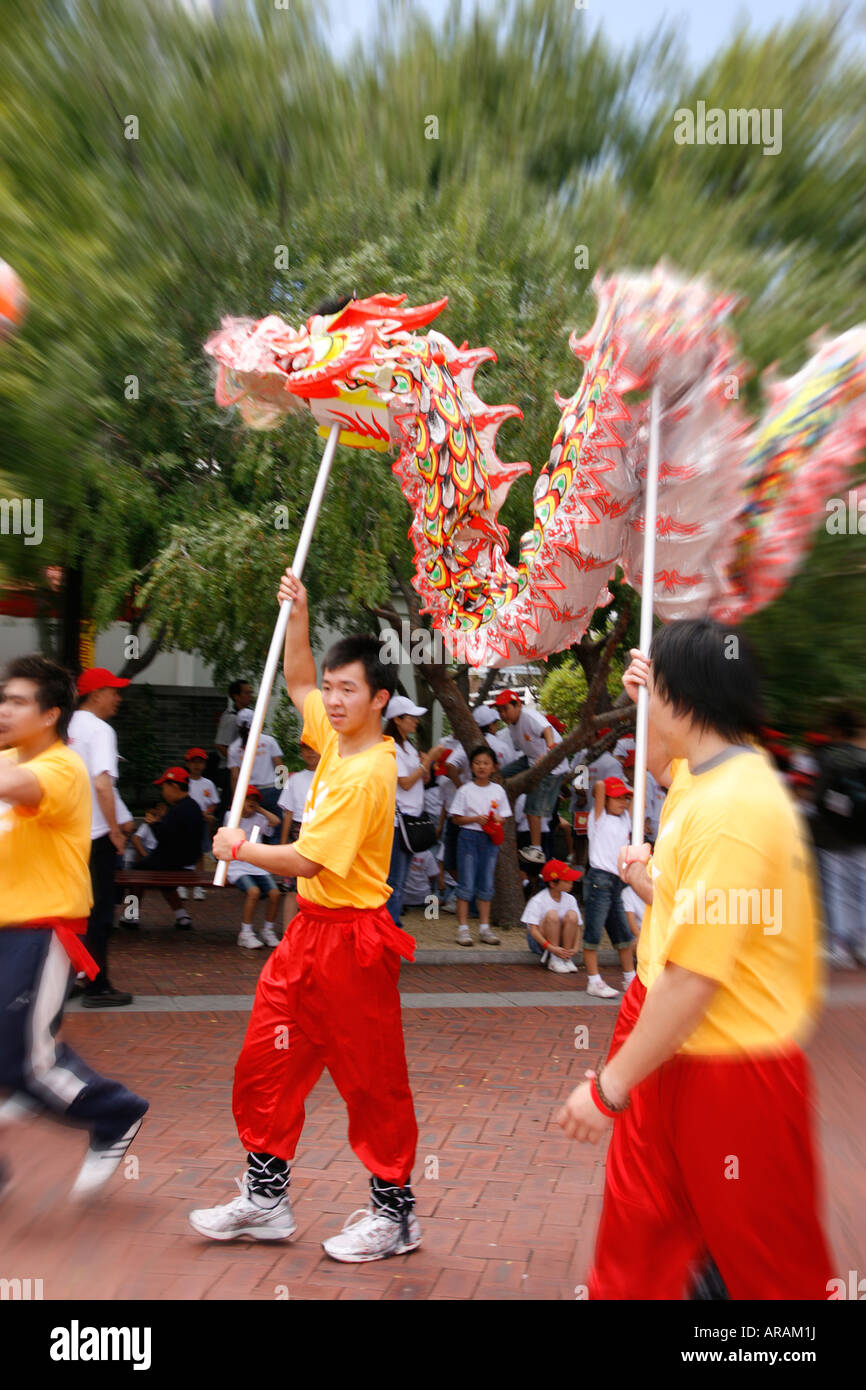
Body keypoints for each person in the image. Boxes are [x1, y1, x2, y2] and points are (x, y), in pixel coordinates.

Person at [557, 620, 834, 1300]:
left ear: (682, 696)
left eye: (652, 694)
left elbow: (695, 977)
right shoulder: (701, 779)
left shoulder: (735, 805)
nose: (640, 710)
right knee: (645, 1234)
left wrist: (608, 1088)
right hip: (681, 1046)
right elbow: (690, 908)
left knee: (769, 1265)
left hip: (727, 1063)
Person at [189, 569, 420, 1263]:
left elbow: (311, 864)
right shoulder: (336, 733)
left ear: (380, 699)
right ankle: (265, 1200)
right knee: (267, 1060)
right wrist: (300, 612)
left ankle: (395, 1216)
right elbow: (294, 684)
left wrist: (242, 846)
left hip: (353, 942)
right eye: (335, 685)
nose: (335, 698)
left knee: (370, 1080)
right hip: (306, 938)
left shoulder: (370, 770)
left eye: (350, 688)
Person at [0, 654, 148, 1197]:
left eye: (15, 701)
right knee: (12, 1058)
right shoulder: (13, 756)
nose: (4, 710)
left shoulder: (60, 768)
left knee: (29, 1059)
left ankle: (116, 1115)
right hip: (6, 930)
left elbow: (16, 785)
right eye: (2, 698)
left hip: (41, 933)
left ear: (50, 714)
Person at [67, 666, 133, 1008]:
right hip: (95, 836)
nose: (118, 698)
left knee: (69, 912)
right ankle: (97, 985)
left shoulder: (64, 726)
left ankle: (73, 978)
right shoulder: (100, 730)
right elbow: (102, 784)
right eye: (113, 691)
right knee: (99, 911)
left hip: (65, 837)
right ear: (96, 694)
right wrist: (115, 830)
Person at [811, 707, 866, 969]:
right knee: (862, 887)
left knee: (836, 889)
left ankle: (840, 946)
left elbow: (820, 797)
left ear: (835, 730)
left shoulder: (829, 757)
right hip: (862, 832)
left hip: (833, 835)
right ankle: (863, 943)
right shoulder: (863, 756)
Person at [384, 696, 443, 927]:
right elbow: (405, 783)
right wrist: (427, 761)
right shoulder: (389, 746)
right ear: (397, 720)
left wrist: (425, 765)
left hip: (410, 818)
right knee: (394, 879)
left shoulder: (407, 746)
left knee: (400, 878)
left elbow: (419, 779)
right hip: (397, 821)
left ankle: (392, 922)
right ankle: (390, 924)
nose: (416, 721)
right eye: (412, 717)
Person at [494, 690, 568, 864]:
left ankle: (537, 849)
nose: (502, 714)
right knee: (499, 776)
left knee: (532, 807)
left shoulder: (529, 716)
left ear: (517, 705)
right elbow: (523, 749)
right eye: (499, 711)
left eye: (505, 709)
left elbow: (547, 729)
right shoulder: (512, 726)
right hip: (530, 760)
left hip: (551, 765)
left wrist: (550, 752)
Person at [450, 746, 512, 947]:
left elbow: (504, 818)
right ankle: (463, 928)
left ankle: (484, 928)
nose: (481, 767)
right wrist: (476, 819)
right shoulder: (465, 790)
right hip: (469, 837)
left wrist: (496, 819)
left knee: (486, 883)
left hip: (489, 839)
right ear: (471, 767)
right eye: (477, 763)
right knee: (466, 882)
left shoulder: (498, 790)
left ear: (494, 767)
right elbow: (457, 819)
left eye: (486, 763)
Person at [582, 775, 636, 998]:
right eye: (617, 798)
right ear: (605, 801)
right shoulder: (599, 818)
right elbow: (600, 786)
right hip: (599, 879)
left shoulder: (626, 820)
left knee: (622, 933)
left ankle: (630, 978)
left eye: (625, 798)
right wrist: (610, 788)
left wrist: (627, 789)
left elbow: (636, 795)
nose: (622, 802)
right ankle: (593, 980)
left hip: (617, 882)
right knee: (594, 931)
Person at [139, 767, 204, 929]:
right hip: (188, 859)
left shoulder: (177, 810)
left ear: (174, 786)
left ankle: (130, 916)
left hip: (174, 860)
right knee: (163, 879)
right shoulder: (193, 806)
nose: (163, 791)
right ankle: (182, 916)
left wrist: (153, 824)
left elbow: (165, 836)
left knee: (136, 873)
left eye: (164, 787)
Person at [225, 788, 282, 949]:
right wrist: (240, 808)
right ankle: (246, 933)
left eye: (254, 799)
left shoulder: (260, 818)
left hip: (257, 865)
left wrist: (259, 809)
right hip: (237, 866)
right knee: (254, 892)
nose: (251, 802)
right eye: (247, 799)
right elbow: (231, 828)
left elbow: (276, 821)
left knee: (275, 894)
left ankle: (268, 930)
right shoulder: (231, 816)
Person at [277, 741, 321, 922]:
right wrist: (282, 844)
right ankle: (288, 932)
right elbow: (288, 812)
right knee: (291, 886)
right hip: (298, 831)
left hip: (321, 832)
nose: (310, 754)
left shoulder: (331, 777)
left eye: (314, 749)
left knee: (317, 885)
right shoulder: (294, 779)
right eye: (306, 749)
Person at [228, 709, 284, 839]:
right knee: (275, 831)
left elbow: (235, 777)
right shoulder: (269, 741)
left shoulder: (234, 748)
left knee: (253, 831)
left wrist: (237, 800)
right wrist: (284, 790)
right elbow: (280, 767)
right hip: (272, 790)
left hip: (249, 795)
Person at [522, 859, 582, 974]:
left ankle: (566, 956)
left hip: (561, 940)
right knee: (552, 915)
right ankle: (554, 958)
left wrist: (575, 947)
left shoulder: (570, 899)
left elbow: (577, 926)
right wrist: (551, 948)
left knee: (572, 915)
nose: (571, 883)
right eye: (567, 881)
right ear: (553, 883)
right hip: (541, 942)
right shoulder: (538, 900)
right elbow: (533, 930)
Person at [215, 678, 253, 818]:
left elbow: (280, 765)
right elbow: (220, 744)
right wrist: (282, 788)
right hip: (233, 774)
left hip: (258, 783)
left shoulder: (267, 742)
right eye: (247, 693)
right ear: (236, 696)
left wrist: (282, 787)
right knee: (231, 809)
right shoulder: (230, 719)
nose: (250, 696)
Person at [184, 747, 218, 901]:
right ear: (188, 763)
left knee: (200, 854)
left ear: (204, 765)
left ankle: (198, 885)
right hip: (185, 822)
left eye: (200, 762)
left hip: (202, 823)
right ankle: (182, 885)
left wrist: (207, 812)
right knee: (183, 853)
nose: (197, 766)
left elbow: (213, 802)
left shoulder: (208, 784)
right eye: (193, 762)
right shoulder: (184, 781)